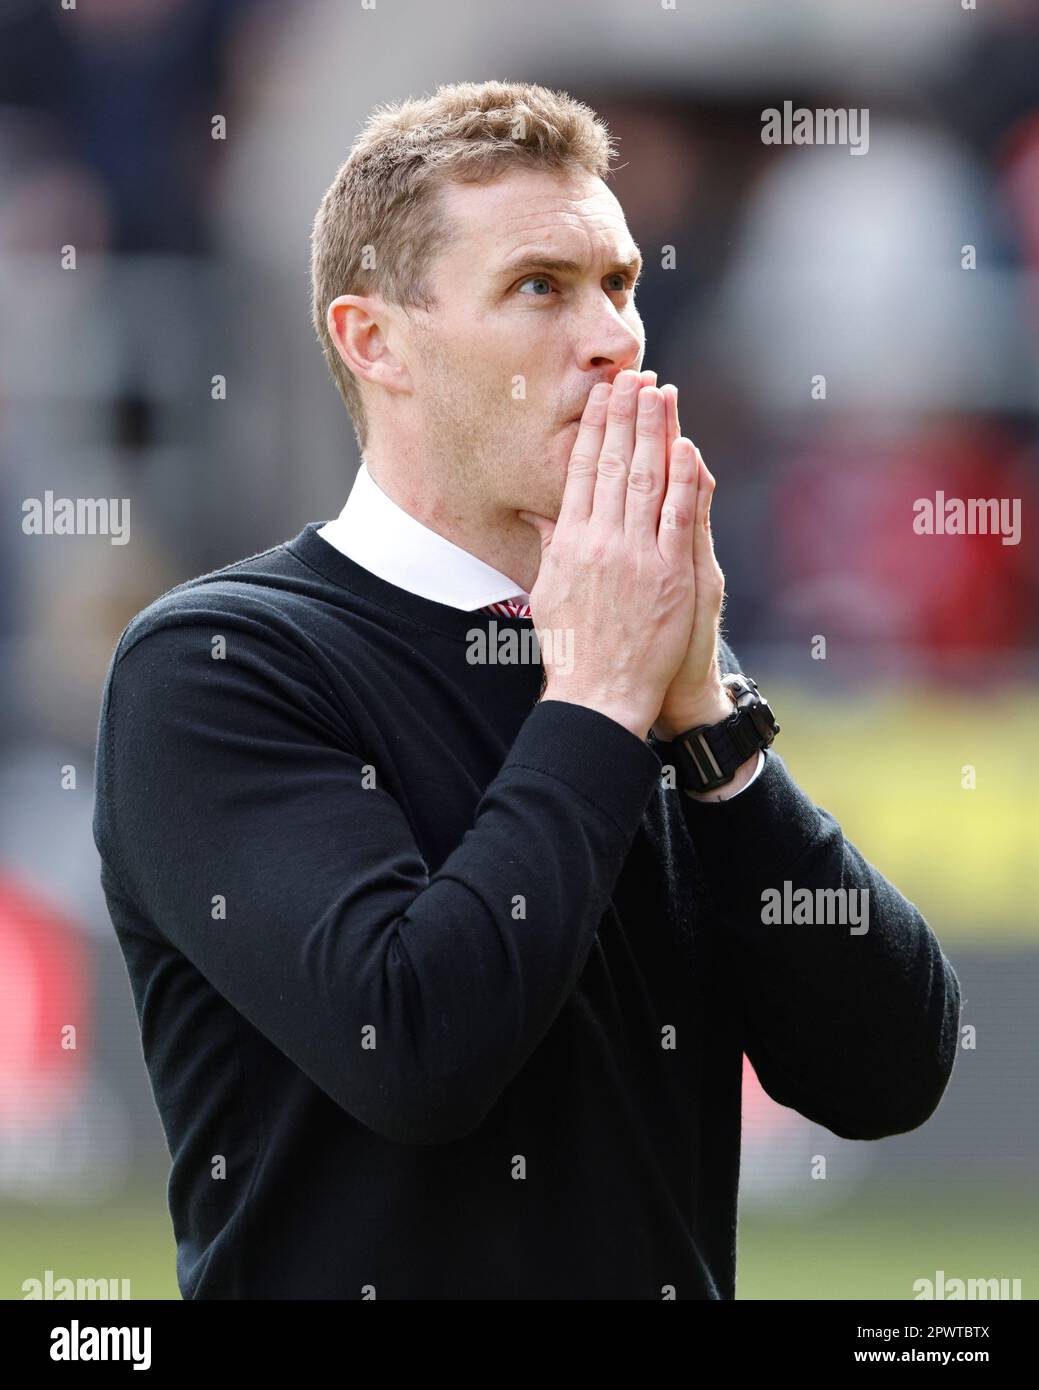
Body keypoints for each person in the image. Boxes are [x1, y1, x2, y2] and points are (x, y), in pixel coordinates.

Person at [92, 80, 961, 1300]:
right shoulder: (220, 664)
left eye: (619, 284)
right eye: (540, 287)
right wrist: (602, 695)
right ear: (374, 340)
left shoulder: (647, 664)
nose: (611, 335)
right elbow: (414, 1049)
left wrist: (707, 721)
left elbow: (890, 1072)